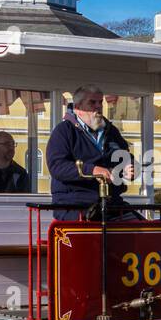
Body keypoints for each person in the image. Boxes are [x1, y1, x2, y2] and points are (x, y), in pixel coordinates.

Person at [45, 85, 135, 221]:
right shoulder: (63, 131)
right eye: (92, 102)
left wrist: (131, 167)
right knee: (98, 236)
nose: (98, 106)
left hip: (111, 204)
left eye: (100, 102)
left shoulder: (111, 131)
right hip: (74, 204)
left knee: (144, 231)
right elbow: (57, 167)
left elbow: (125, 157)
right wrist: (93, 170)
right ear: (77, 108)